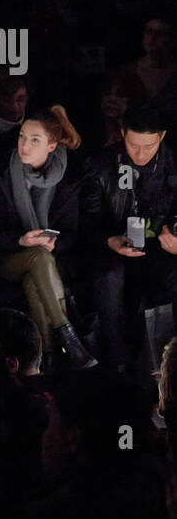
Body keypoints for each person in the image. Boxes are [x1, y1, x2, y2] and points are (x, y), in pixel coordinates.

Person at [0, 105, 96, 370]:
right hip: (5, 257)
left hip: (49, 261)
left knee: (36, 276)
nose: (24, 145)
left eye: (35, 140)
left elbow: (72, 232)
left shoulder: (69, 176)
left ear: (52, 146)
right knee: (38, 258)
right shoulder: (0, 170)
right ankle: (68, 334)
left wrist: (55, 243)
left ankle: (48, 356)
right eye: (22, 136)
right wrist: (21, 240)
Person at [81, 104, 177, 372]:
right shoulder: (100, 166)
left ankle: (172, 366)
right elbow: (87, 225)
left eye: (149, 146)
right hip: (115, 251)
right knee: (110, 278)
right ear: (122, 133)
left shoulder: (173, 165)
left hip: (160, 250)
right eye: (134, 145)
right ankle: (118, 363)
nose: (141, 153)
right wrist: (109, 240)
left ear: (162, 136)